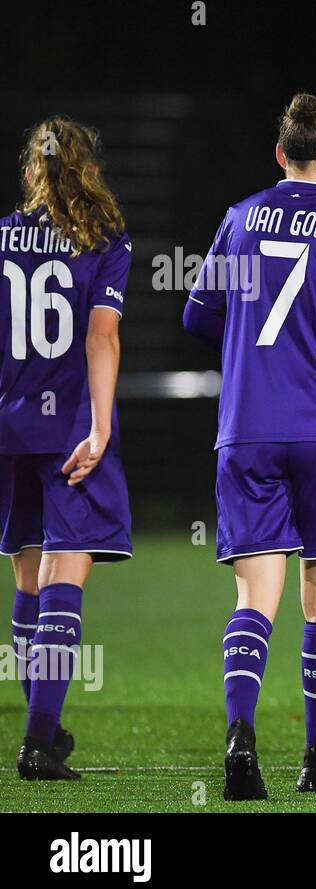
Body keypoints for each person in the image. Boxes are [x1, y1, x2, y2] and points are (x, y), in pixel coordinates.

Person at [183, 94, 316, 800]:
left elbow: (196, 315)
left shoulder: (240, 219)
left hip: (249, 426)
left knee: (254, 595)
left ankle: (241, 737)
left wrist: (252, 359)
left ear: (280, 155)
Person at [1, 117, 132, 780]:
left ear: (32, 171)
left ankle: (43, 735)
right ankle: (37, 743)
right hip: (71, 431)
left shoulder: (1, 239)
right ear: (87, 169)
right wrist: (101, 425)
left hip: (11, 430)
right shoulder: (105, 240)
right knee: (65, 578)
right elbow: (101, 338)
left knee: (30, 578)